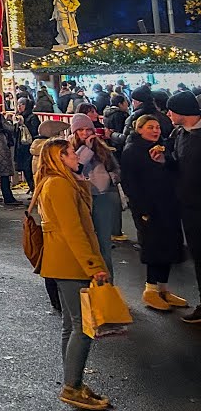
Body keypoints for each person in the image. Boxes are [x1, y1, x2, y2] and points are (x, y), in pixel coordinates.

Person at [33, 137, 112, 410]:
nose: (76, 156)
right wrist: (94, 265)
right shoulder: (59, 185)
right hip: (71, 263)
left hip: (63, 263)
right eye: (69, 153)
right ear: (59, 158)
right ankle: (72, 386)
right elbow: (74, 231)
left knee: (71, 324)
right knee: (83, 326)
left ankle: (73, 381)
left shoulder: (60, 182)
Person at [119, 115, 188, 311]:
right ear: (139, 129)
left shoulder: (163, 148)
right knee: (154, 247)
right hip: (149, 209)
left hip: (168, 205)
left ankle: (164, 289)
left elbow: (174, 171)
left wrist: (163, 161)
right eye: (150, 127)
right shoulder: (132, 150)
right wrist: (142, 210)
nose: (156, 130)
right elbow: (130, 183)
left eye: (157, 127)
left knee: (169, 246)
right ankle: (150, 290)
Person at [164, 90, 201, 323]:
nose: (167, 114)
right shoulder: (180, 133)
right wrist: (165, 160)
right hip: (189, 207)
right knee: (198, 255)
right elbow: (179, 166)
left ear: (183, 112)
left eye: (171, 110)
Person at [67, 114, 118, 277]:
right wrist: (87, 149)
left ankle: (107, 285)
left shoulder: (102, 147)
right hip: (81, 198)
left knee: (104, 244)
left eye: (88, 129)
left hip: (102, 196)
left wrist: (110, 178)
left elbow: (114, 167)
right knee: (86, 242)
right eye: (80, 130)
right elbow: (76, 168)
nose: (85, 133)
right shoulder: (69, 149)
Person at [15, 97, 42, 192]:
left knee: (29, 168)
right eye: (18, 104)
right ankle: (31, 187)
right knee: (25, 168)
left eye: (21, 104)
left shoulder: (32, 117)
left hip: (29, 146)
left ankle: (34, 188)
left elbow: (35, 130)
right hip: (21, 146)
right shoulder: (18, 116)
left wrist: (24, 125)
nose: (19, 107)